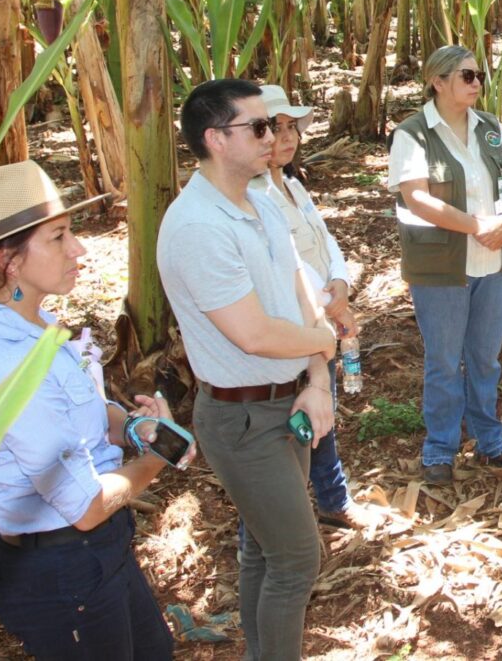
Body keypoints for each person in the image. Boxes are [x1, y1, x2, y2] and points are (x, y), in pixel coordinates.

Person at [0, 160, 191, 660]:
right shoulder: (8, 365)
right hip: (66, 573)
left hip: (91, 558)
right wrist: (161, 454)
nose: (78, 248)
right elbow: (85, 507)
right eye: (58, 237)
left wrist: (135, 427)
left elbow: (80, 412)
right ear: (7, 261)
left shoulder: (25, 323)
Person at [157, 78, 337, 661]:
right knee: (296, 558)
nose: (273, 136)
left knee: (266, 550)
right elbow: (255, 334)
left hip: (290, 399)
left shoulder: (261, 200)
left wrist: (316, 378)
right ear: (215, 139)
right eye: (258, 127)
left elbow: (297, 288)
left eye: (275, 124)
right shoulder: (196, 227)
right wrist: (325, 344)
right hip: (242, 417)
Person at [388, 45, 502, 485]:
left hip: (493, 258)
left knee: (485, 358)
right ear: (439, 81)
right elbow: (417, 196)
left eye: (478, 76)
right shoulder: (413, 134)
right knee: (445, 361)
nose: (476, 84)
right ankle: (440, 449)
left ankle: (490, 439)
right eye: (467, 76)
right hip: (442, 266)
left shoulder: (488, 127)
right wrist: (475, 225)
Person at [249, 84, 374, 530]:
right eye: (273, 127)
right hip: (292, 327)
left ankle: (331, 498)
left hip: (321, 318)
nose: (286, 137)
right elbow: (286, 267)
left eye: (291, 128)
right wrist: (328, 307)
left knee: (324, 412)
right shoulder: (251, 195)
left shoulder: (293, 185)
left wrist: (340, 285)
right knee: (290, 425)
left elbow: (324, 243)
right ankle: (271, 524)